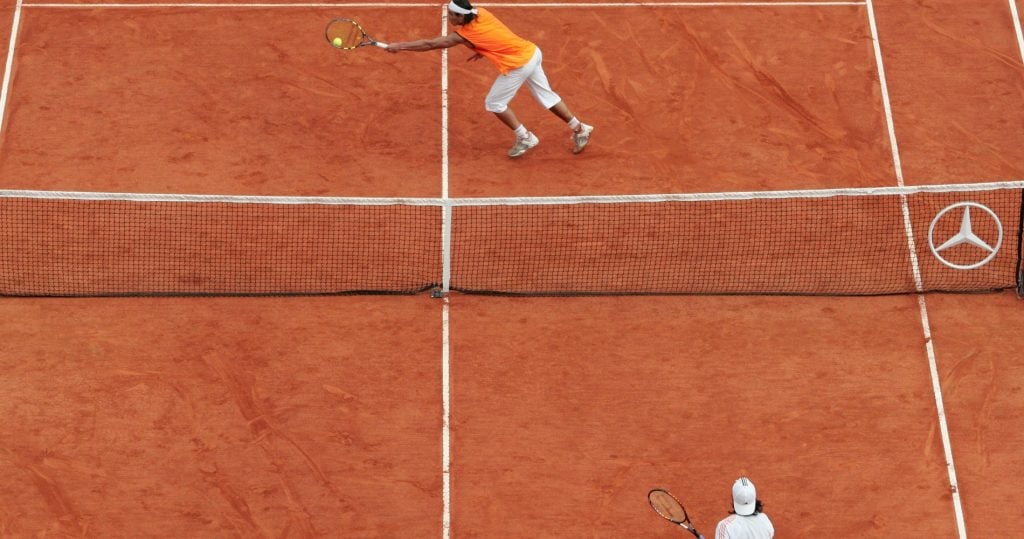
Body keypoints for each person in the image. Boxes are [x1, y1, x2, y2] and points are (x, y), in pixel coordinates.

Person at [386, 0, 593, 158]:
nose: (449, 17)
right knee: (546, 96)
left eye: (452, 15)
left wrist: (400, 46)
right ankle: (580, 129)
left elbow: (430, 44)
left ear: (462, 17)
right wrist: (483, 50)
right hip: (532, 52)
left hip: (519, 64)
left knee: (494, 103)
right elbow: (495, 34)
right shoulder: (482, 13)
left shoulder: (464, 35)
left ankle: (525, 137)